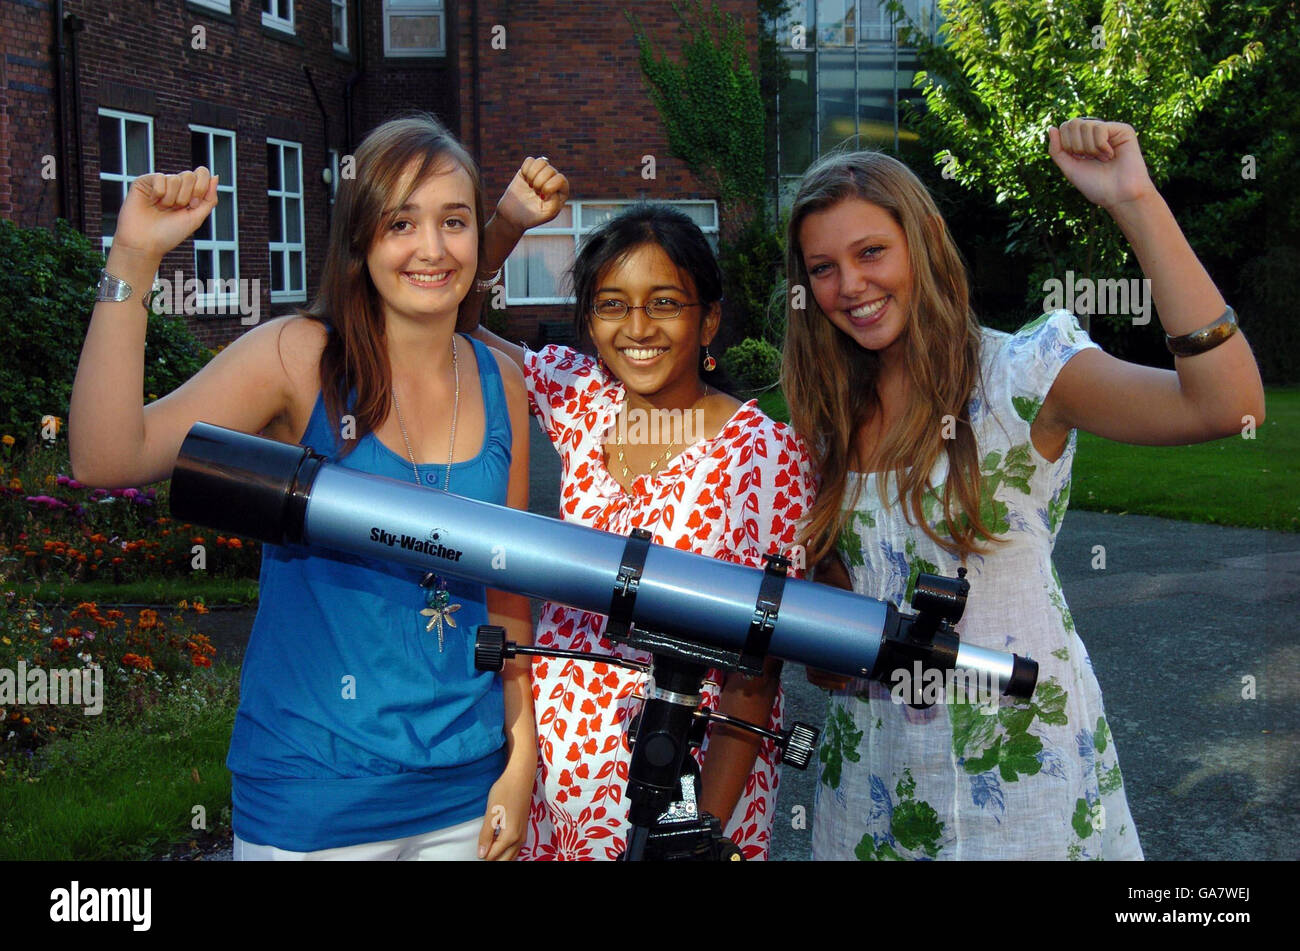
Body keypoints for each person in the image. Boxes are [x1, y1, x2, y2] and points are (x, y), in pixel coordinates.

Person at [782, 118, 1266, 860]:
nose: (850, 285)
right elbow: (833, 632)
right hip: (872, 785)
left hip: (1023, 776)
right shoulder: (826, 418)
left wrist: (1133, 198)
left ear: (922, 245)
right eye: (822, 268)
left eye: (871, 251)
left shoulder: (1023, 373)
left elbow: (1229, 405)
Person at [68, 115, 548, 860]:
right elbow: (107, 454)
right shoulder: (298, 356)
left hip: (463, 791)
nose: (432, 248)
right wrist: (133, 255)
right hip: (313, 796)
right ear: (360, 240)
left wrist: (521, 759)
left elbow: (510, 591)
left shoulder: (501, 384)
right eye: (401, 222)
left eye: (454, 221)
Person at [471, 190, 817, 860]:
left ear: (709, 319)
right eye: (611, 304)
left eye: (665, 301)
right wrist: (508, 223)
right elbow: (454, 323)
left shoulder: (767, 456)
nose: (638, 325)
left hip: (681, 807)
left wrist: (698, 835)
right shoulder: (581, 400)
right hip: (556, 801)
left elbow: (756, 675)